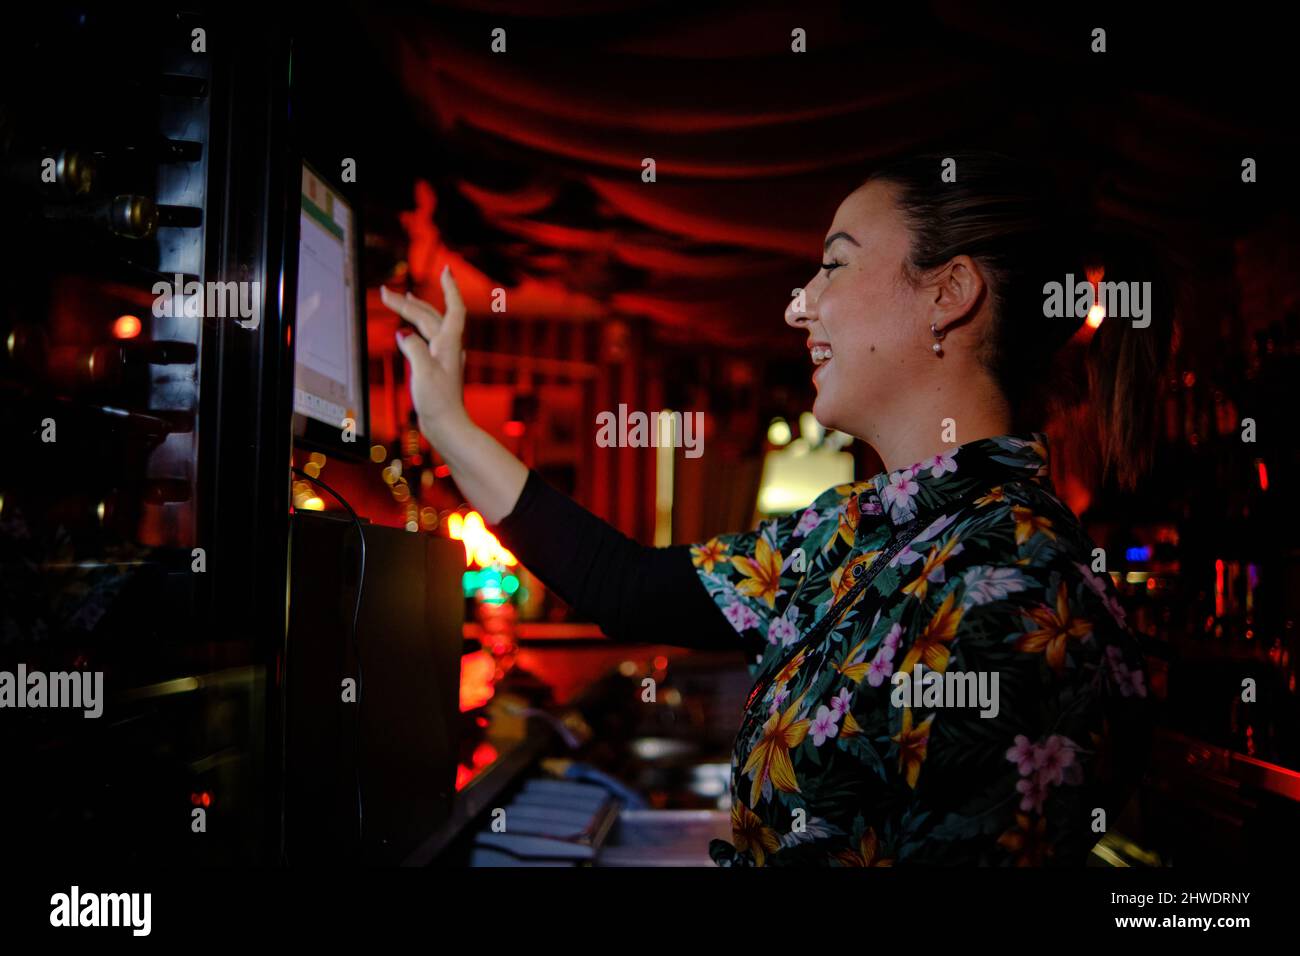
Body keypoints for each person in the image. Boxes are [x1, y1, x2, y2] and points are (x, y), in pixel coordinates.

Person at [384, 150, 1168, 867]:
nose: (799, 308)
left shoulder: (1021, 596)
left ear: (950, 294)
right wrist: (447, 422)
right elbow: (620, 584)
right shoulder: (861, 534)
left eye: (833, 266)